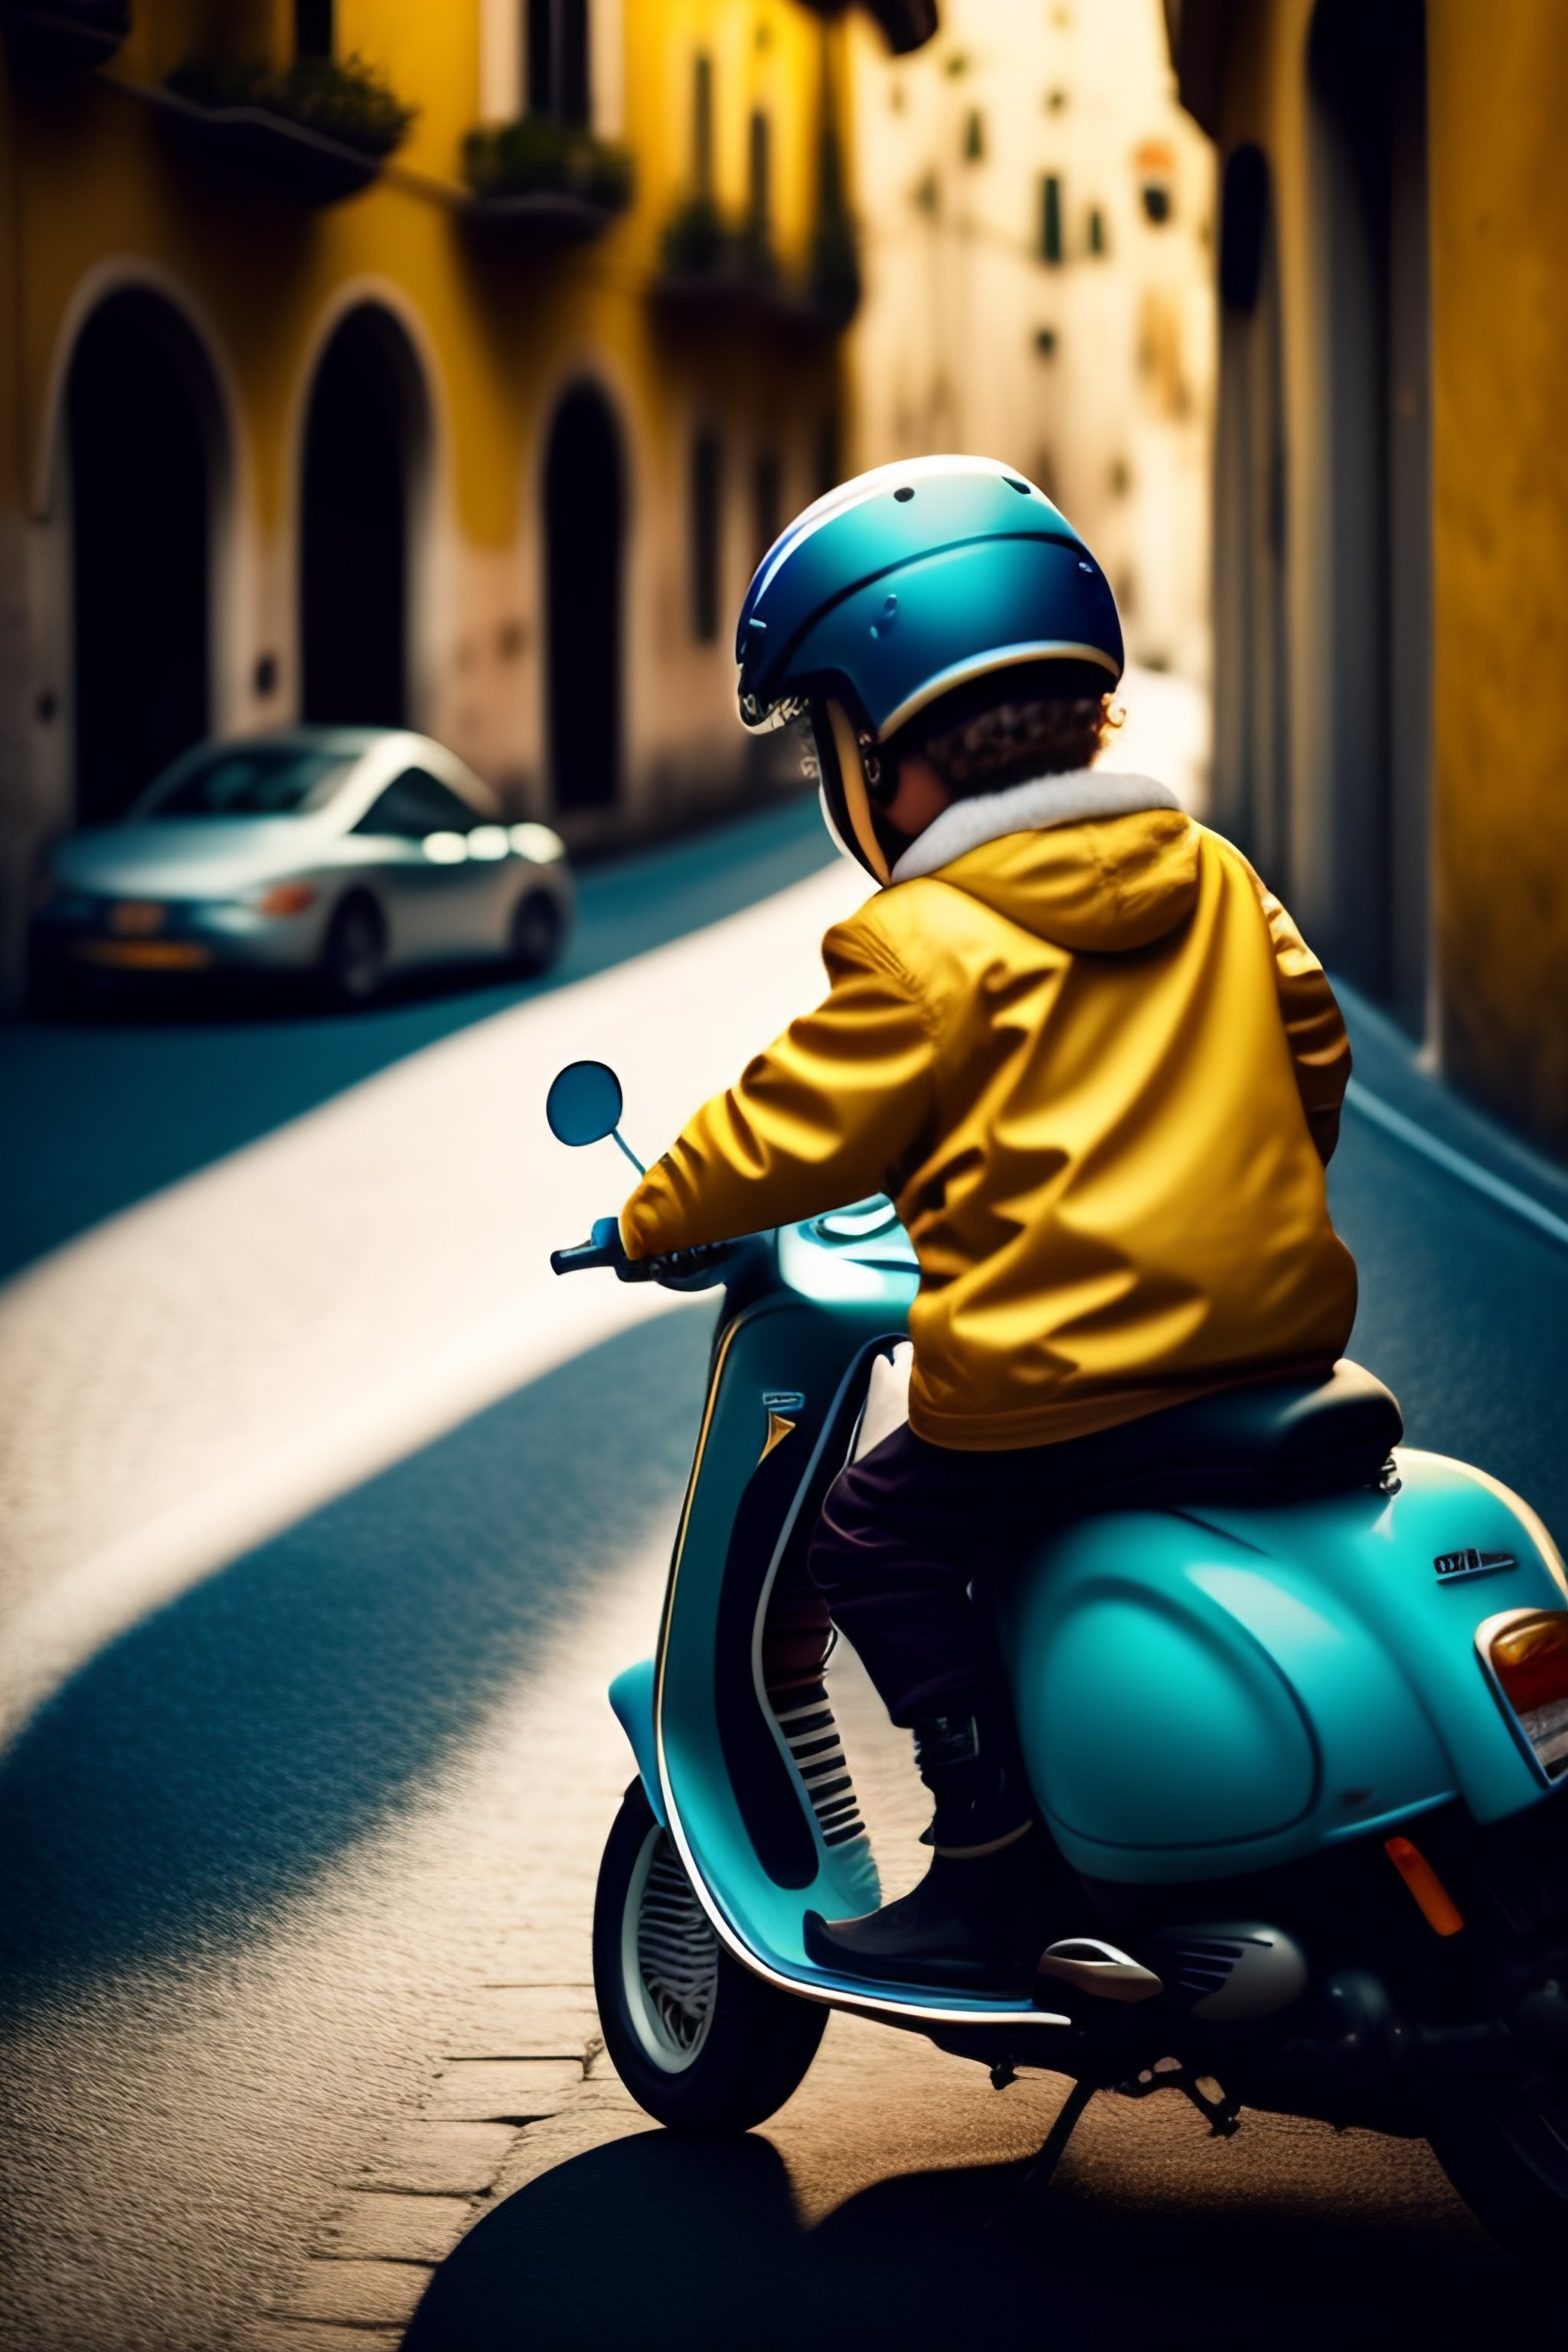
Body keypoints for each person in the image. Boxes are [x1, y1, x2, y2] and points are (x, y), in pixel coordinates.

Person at [617, 456, 1356, 1991]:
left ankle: (992, 1854)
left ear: (886, 761)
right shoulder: (1213, 874)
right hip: (1276, 1346)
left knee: (873, 1534)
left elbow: (788, 1131)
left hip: (1057, 1390)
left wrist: (645, 1217)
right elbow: (1312, 1057)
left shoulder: (917, 942)